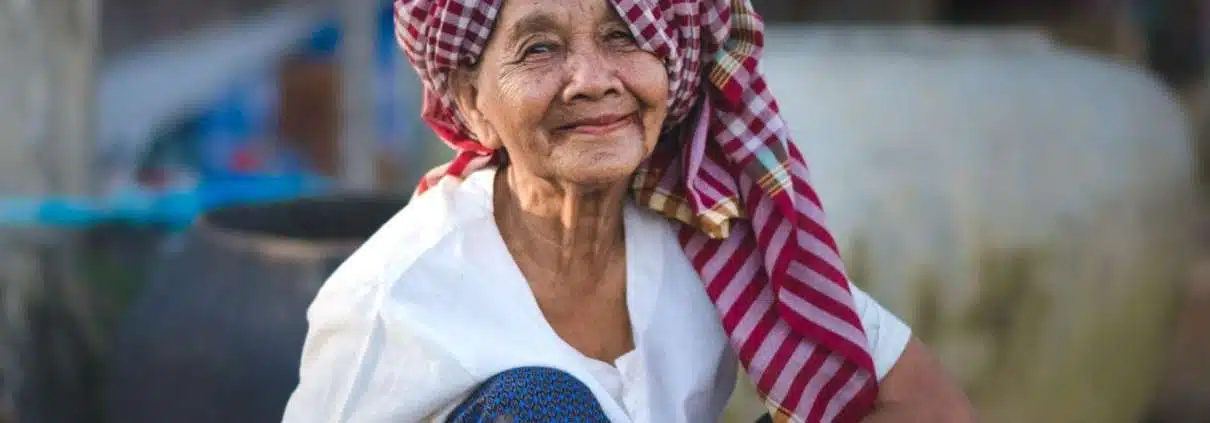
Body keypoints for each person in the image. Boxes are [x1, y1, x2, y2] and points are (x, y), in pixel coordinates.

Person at [281, 0, 976, 421]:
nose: (593, 80)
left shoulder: (714, 234)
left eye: (624, 36)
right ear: (470, 101)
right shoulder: (394, 300)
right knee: (542, 409)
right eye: (540, 47)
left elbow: (927, 405)